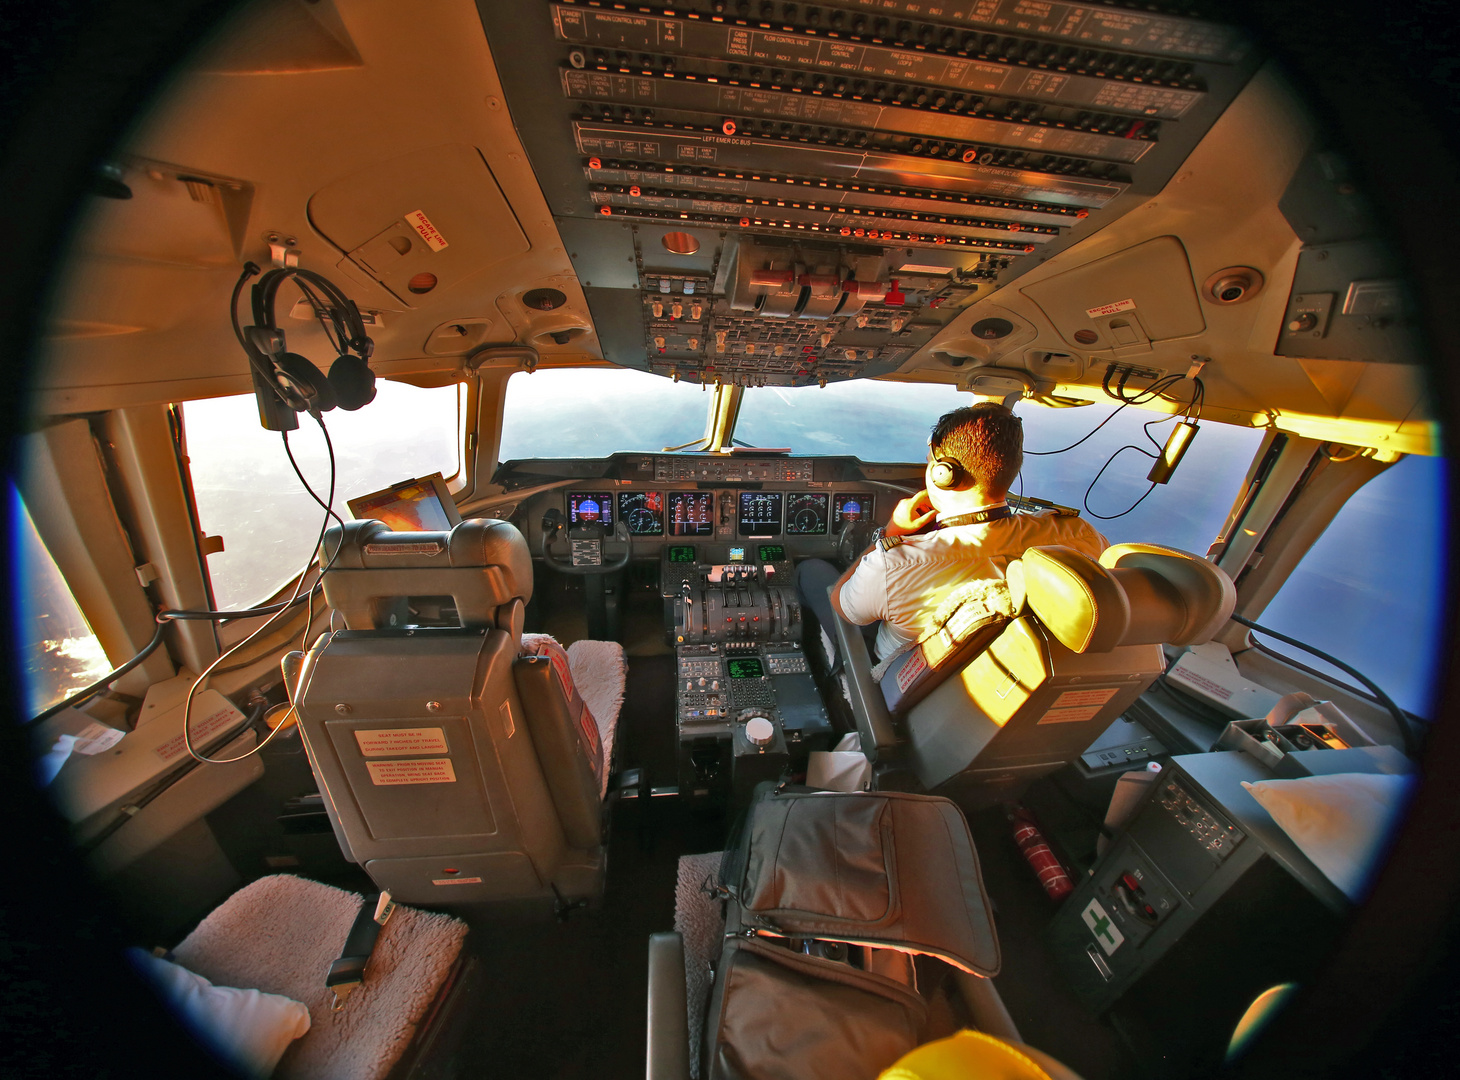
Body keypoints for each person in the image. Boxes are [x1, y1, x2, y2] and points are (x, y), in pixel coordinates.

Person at [796, 402, 1108, 663]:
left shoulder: (895, 564)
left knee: (811, 571)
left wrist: (892, 532)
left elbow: (842, 606)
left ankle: (830, 674)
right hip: (993, 672)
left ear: (943, 473)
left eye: (930, 461)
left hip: (894, 679)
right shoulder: (1081, 535)